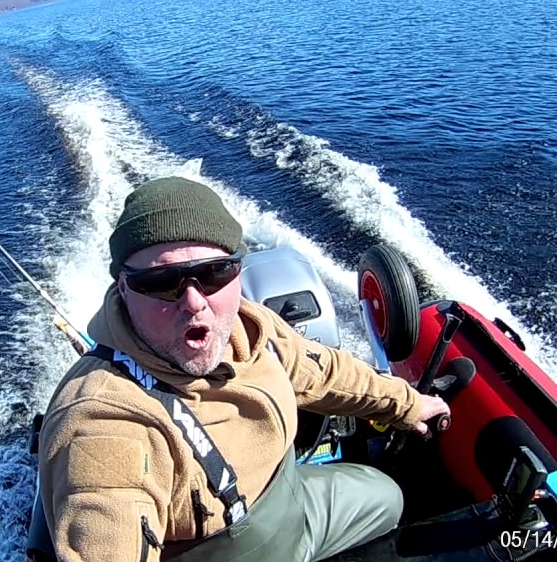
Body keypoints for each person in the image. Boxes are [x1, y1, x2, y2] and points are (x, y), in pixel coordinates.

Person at [36, 176, 451, 562]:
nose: (195, 302)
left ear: (238, 272)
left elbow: (319, 370)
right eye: (163, 282)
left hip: (293, 507)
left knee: (389, 498)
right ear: (123, 288)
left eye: (214, 273)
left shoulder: (252, 330)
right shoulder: (103, 423)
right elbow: (105, 515)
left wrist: (406, 404)